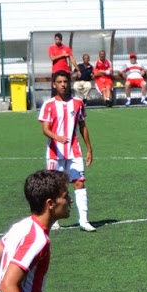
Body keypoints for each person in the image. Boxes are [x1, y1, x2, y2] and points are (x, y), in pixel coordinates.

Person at [39, 69, 95, 232]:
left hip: (74, 151)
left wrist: (89, 148)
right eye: (60, 82)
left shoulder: (77, 103)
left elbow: (82, 126)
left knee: (79, 183)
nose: (63, 85)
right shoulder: (48, 105)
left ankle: (84, 220)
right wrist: (57, 137)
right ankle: (53, 219)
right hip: (55, 153)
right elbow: (45, 129)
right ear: (54, 85)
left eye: (65, 82)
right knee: (56, 187)